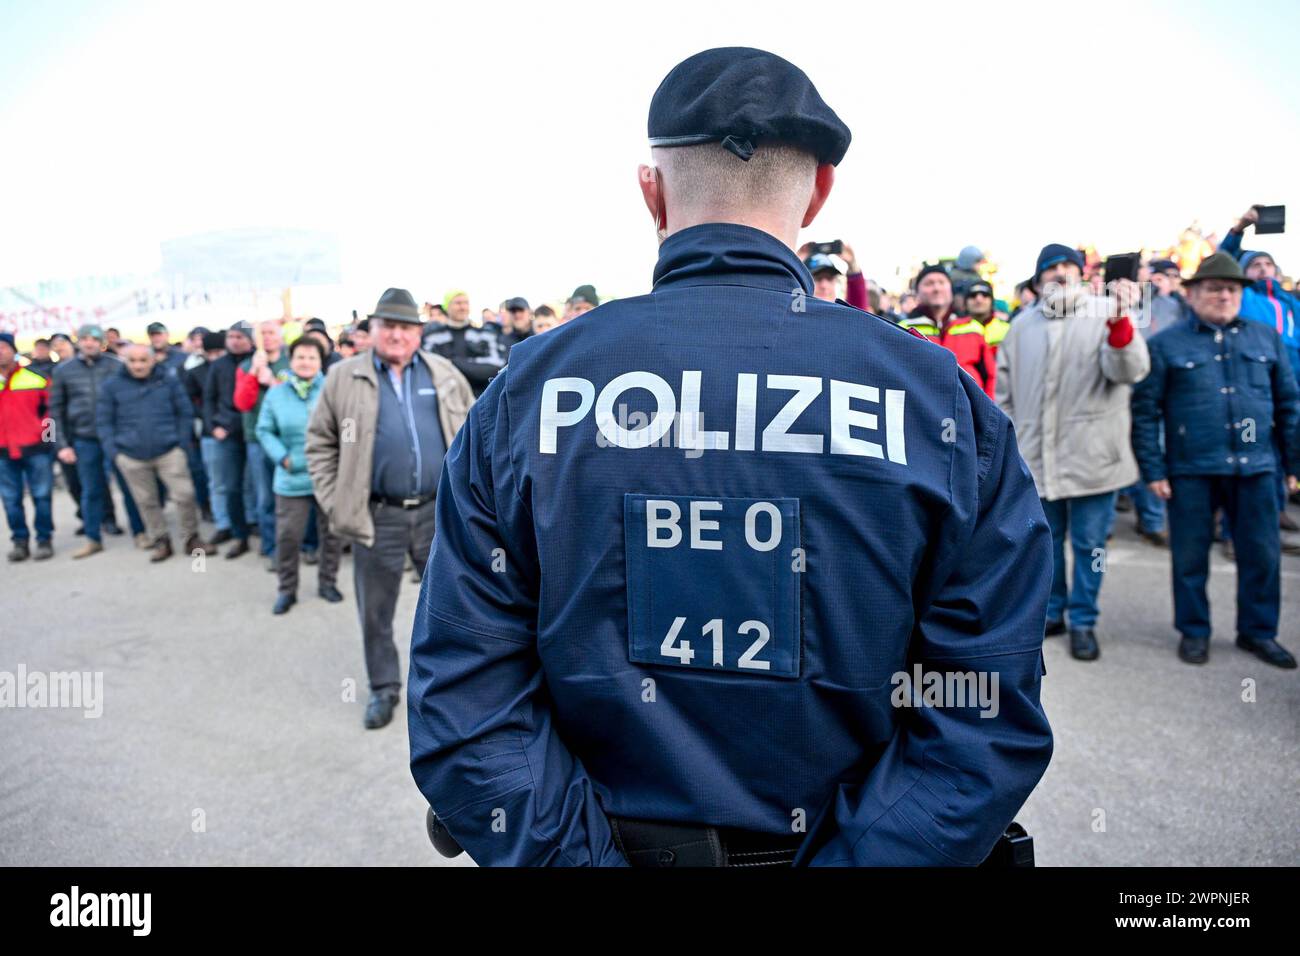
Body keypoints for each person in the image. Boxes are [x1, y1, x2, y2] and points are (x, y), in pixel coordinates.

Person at [406, 46, 1053, 868]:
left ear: (652, 191)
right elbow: (982, 703)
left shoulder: (530, 390)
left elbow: (467, 690)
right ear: (819, 192)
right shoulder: (936, 397)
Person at [306, 288, 473, 730]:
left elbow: (475, 432)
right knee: (376, 609)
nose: (397, 334)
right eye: (389, 326)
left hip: (440, 513)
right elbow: (319, 441)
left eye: (406, 327)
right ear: (373, 331)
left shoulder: (443, 373)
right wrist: (335, 499)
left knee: (455, 604)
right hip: (377, 514)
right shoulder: (344, 377)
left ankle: (458, 688)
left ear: (419, 333)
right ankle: (384, 688)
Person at [1132, 253, 1298, 667]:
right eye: (1214, 288)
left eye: (1232, 288)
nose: (1224, 295)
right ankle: (1194, 630)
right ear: (1191, 294)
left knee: (1261, 555)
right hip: (1191, 471)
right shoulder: (1166, 344)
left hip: (1257, 468)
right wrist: (1153, 470)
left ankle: (1258, 632)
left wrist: (1294, 465)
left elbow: (1289, 405)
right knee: (1190, 558)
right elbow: (1145, 411)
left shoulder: (1265, 338)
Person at [996, 243, 1150, 661]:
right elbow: (1004, 396)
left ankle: (1084, 619)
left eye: (1067, 266)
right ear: (1038, 277)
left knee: (1091, 547)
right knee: (1046, 544)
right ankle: (1053, 611)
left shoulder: (1106, 311)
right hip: (1037, 461)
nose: (1059, 273)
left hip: (1093, 460)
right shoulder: (1021, 326)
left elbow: (1130, 370)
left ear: (1081, 273)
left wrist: (1121, 324)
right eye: (1050, 267)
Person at [98, 344, 209, 561]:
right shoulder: (112, 386)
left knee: (184, 495)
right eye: (133, 361)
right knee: (146, 501)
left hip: (169, 450)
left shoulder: (168, 381)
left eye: (143, 360)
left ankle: (191, 538)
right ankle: (161, 540)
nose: (138, 365)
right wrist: (115, 452)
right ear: (126, 362)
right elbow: (104, 421)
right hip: (130, 455)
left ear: (152, 361)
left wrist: (181, 442)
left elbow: (184, 412)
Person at [256, 337, 342, 614]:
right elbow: (264, 430)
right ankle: (286, 590)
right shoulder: (276, 394)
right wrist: (283, 457)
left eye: (312, 358)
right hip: (291, 478)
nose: (306, 363)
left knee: (331, 535)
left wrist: (345, 454)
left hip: (328, 477)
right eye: (300, 357)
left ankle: (327, 582)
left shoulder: (333, 389)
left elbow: (348, 425)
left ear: (320, 362)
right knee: (288, 537)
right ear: (290, 361)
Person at [49, 324, 146, 556]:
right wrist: (60, 445)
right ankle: (93, 538)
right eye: (84, 338)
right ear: (78, 342)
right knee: (90, 490)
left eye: (93, 339)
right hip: (85, 439)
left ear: (101, 342)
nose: (89, 343)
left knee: (129, 487)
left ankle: (141, 532)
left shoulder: (117, 366)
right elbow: (55, 411)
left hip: (117, 438)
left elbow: (131, 403)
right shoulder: (64, 371)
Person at [232, 320, 291, 568]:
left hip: (288, 438)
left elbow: (298, 396)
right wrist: (254, 375)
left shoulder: (291, 363)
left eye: (271, 333)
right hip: (257, 440)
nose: (267, 338)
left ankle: (302, 545)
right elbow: (242, 403)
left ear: (279, 337)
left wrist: (272, 382)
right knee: (264, 496)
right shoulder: (247, 366)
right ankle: (271, 547)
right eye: (262, 334)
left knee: (293, 497)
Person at [899, 265, 996, 397]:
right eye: (929, 283)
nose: (937, 288)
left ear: (951, 290)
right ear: (917, 292)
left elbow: (991, 376)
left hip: (968, 411)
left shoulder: (973, 327)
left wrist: (986, 411)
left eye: (942, 282)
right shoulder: (903, 328)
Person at [203, 320, 256, 559]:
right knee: (230, 486)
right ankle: (238, 534)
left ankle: (258, 525)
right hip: (227, 433)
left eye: (240, 337)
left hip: (254, 431)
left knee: (258, 486)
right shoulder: (219, 365)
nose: (234, 341)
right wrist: (213, 425)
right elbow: (209, 399)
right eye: (231, 336)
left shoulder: (258, 362)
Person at [0, 331, 55, 561]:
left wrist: (49, 442)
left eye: (3, 347)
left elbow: (51, 412)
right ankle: (20, 541)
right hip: (3, 453)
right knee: (11, 500)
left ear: (13, 350)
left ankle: (44, 539)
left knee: (42, 496)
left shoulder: (37, 377)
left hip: (36, 450)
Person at [421, 291, 506, 397]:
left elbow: (495, 367)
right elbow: (427, 369)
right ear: (447, 307)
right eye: (458, 303)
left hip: (479, 400)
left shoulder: (484, 334)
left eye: (466, 303)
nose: (462, 307)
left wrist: (452, 362)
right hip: (445, 400)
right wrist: (473, 365)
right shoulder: (433, 337)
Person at [186, 331, 228, 533]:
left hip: (234, 430)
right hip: (210, 433)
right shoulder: (195, 372)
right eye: (211, 352)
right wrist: (209, 420)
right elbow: (189, 401)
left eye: (219, 351)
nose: (214, 356)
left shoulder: (234, 368)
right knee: (217, 482)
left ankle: (247, 519)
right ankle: (223, 522)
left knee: (242, 484)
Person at [967, 280, 1010, 353]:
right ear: (966, 302)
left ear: (992, 301)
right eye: (973, 295)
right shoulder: (953, 329)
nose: (978, 300)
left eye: (985, 295)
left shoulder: (1008, 330)